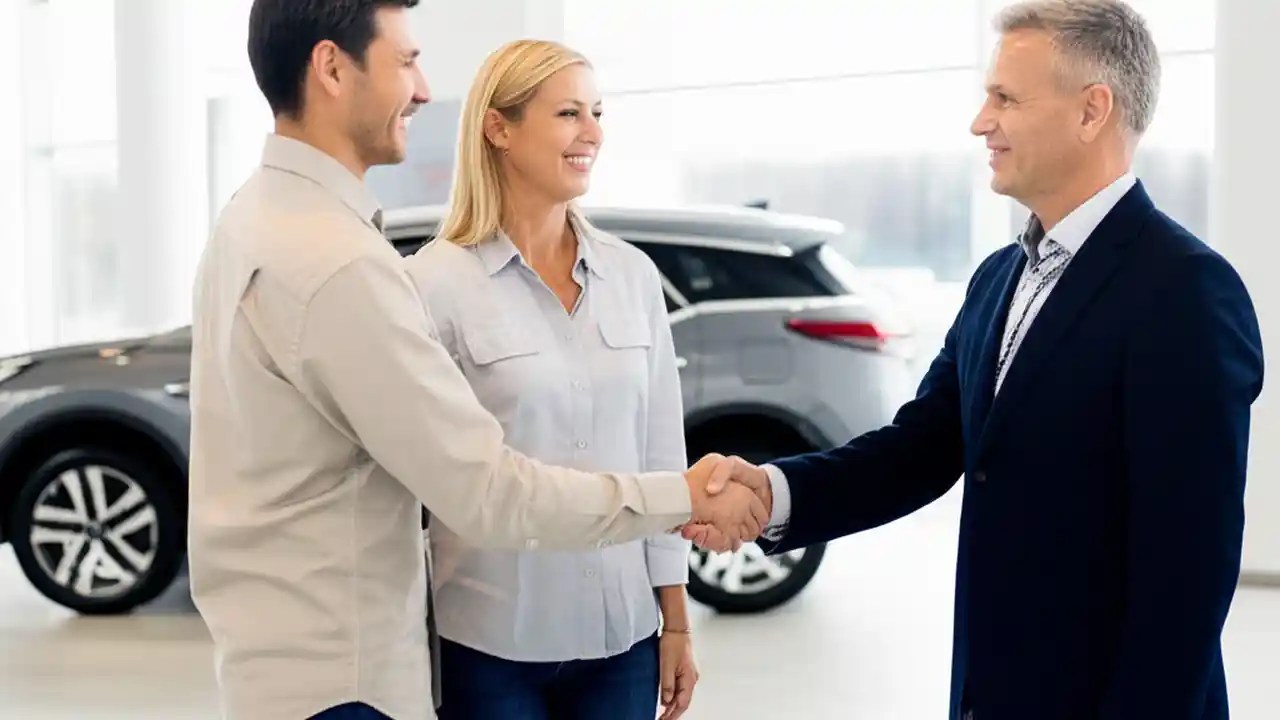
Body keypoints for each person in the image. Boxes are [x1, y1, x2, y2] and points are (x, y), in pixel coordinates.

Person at [687, 1, 1264, 719]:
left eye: (1005, 98)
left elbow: (1187, 569)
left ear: (1093, 111)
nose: (979, 122)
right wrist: (771, 494)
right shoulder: (1000, 277)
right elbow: (919, 450)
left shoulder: (1185, 291)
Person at [189, 3, 766, 719]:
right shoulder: (352, 266)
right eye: (406, 60)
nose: (426, 88)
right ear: (332, 67)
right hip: (365, 673)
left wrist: (672, 609)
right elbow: (487, 492)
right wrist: (686, 495)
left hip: (304, 666)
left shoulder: (254, 221)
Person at [403, 40, 697, 720]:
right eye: (568, 112)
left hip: (622, 640)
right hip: (487, 644)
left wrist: (674, 621)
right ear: (498, 127)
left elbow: (660, 458)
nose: (593, 132)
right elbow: (427, 477)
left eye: (596, 112)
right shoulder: (432, 285)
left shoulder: (633, 277)